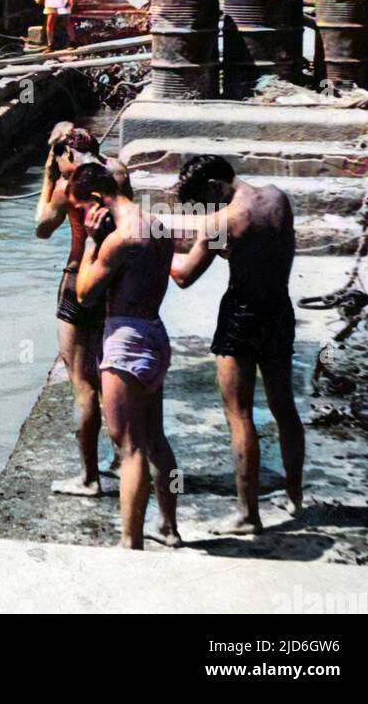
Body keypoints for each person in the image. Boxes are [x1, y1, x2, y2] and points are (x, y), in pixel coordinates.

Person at [170, 155, 305, 533]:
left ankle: (248, 515)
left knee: (240, 414)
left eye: (205, 200)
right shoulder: (277, 198)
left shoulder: (221, 222)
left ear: (215, 186)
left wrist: (156, 241)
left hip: (242, 314)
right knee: (285, 409)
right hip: (279, 308)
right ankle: (295, 498)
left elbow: (184, 276)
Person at [70, 163, 181, 550]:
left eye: (82, 208)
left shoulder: (118, 240)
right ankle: (169, 527)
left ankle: (129, 544)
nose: (82, 217)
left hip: (126, 342)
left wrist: (88, 242)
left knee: (129, 448)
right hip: (155, 333)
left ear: (97, 200)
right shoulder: (159, 227)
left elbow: (84, 294)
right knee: (156, 441)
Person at [35, 125, 131, 497]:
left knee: (83, 384)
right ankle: (124, 459)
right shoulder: (118, 173)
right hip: (117, 281)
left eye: (57, 158)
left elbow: (42, 227)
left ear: (67, 155)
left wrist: (48, 176)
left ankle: (89, 478)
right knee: (112, 375)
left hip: (79, 278)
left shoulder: (67, 184)